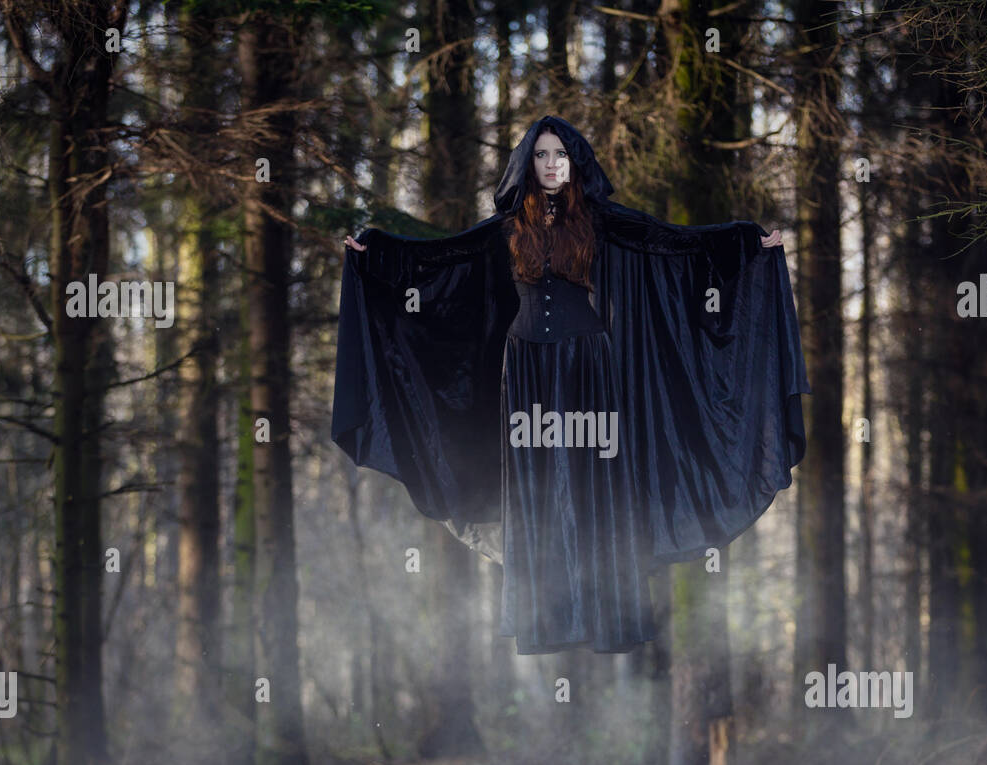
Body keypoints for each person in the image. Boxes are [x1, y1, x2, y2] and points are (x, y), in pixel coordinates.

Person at [334, 115, 810, 655]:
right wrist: (376, 254)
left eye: (561, 154)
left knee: (590, 484)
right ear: (527, 164)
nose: (552, 163)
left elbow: (678, 244)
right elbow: (443, 255)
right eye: (541, 155)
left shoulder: (600, 220)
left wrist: (748, 242)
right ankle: (546, 617)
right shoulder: (509, 226)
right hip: (527, 370)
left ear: (574, 160)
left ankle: (603, 614)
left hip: (587, 366)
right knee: (537, 486)